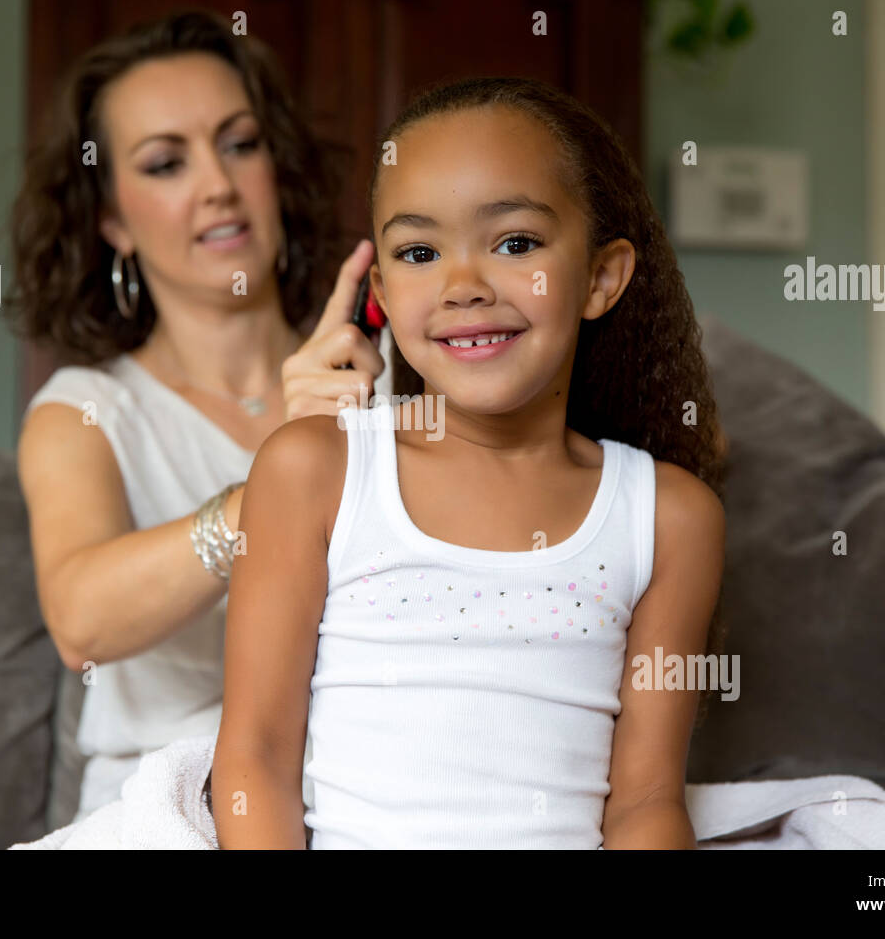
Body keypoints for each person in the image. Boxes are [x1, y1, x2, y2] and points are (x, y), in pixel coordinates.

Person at [212, 76, 728, 848]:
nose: (463, 287)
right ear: (381, 292)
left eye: (515, 243)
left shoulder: (671, 517)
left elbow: (647, 801)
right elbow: (255, 758)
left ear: (600, 276)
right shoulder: (314, 470)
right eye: (420, 252)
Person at [4, 10, 389, 823]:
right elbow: (81, 618)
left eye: (240, 143)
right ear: (111, 220)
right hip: (168, 805)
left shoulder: (387, 380)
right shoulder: (85, 413)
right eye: (166, 162)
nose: (218, 183)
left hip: (367, 791)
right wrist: (277, 483)